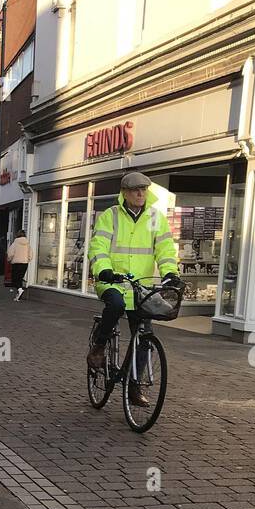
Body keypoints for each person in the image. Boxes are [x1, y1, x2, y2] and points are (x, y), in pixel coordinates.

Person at [86, 170, 181, 406]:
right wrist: (103, 269)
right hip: (113, 281)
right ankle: (99, 346)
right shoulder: (111, 216)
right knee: (116, 305)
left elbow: (166, 249)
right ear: (124, 193)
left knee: (145, 336)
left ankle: (134, 385)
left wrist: (170, 272)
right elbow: (98, 246)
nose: (140, 193)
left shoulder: (155, 217)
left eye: (144, 189)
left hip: (141, 287)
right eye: (135, 190)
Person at [7, 229, 31, 297]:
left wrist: (9, 259)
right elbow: (31, 254)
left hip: (16, 263)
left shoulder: (15, 243)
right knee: (20, 278)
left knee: (15, 279)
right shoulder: (27, 244)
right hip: (25, 263)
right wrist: (27, 259)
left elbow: (10, 254)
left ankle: (20, 290)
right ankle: (19, 295)